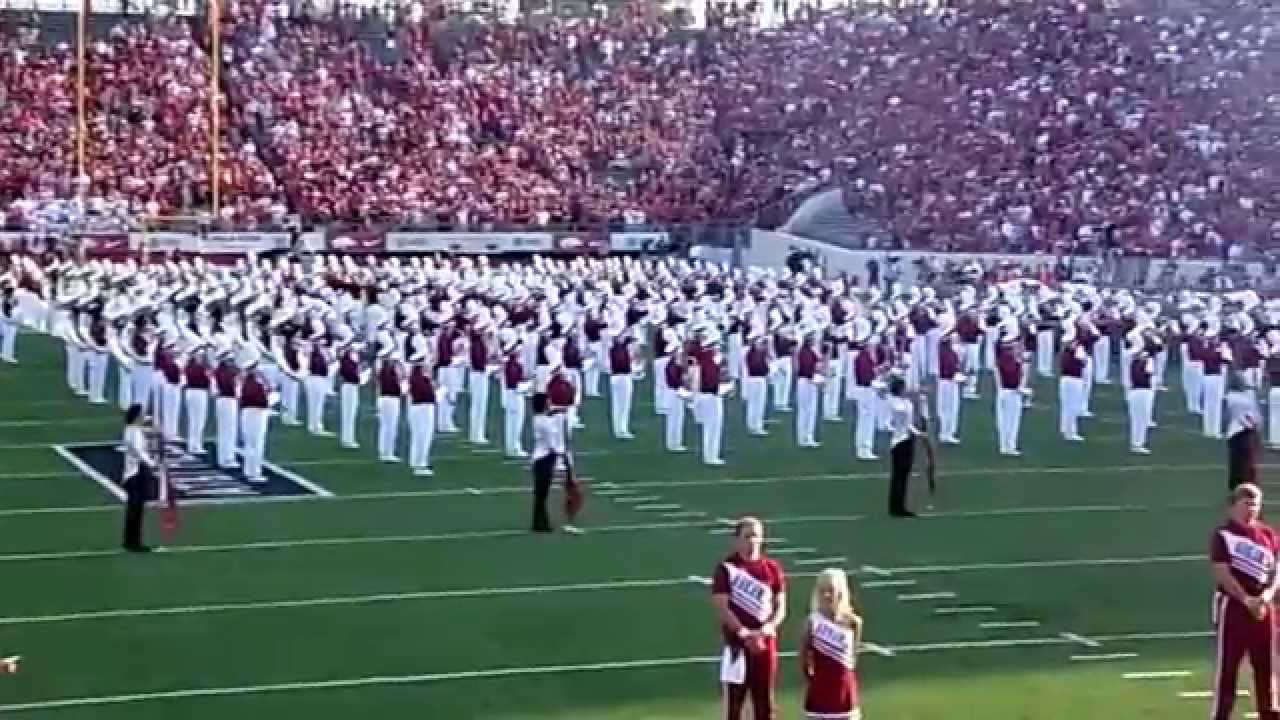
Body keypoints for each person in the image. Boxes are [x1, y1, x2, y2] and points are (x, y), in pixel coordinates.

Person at [1209, 483, 1280, 720]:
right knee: (1228, 669)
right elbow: (1221, 572)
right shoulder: (1223, 535)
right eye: (1246, 503)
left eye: (1255, 504)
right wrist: (1245, 599)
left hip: (1263, 609)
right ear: (1234, 506)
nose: (1251, 509)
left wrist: (1266, 597)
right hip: (1234, 609)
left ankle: (1269, 713)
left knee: (1266, 668)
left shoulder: (1269, 536)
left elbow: (1276, 572)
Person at [711, 516, 787, 720]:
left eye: (756, 536)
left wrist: (768, 628)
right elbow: (722, 606)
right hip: (736, 646)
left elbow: (780, 607)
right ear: (737, 540)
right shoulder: (726, 569)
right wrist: (743, 633)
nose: (752, 541)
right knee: (735, 704)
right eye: (747, 536)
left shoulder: (772, 569)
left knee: (765, 703)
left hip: (765, 644)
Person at [800, 568, 862, 720]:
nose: (826, 595)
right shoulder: (811, 622)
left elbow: (853, 658)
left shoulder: (854, 622)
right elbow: (803, 658)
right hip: (819, 694)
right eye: (822, 591)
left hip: (845, 693)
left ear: (840, 592)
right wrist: (814, 679)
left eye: (831, 590)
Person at [120, 403, 156, 553]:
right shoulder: (133, 432)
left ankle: (131, 540)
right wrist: (151, 463)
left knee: (135, 509)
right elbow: (138, 451)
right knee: (136, 510)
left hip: (134, 473)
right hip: (135, 474)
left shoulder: (132, 430)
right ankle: (134, 542)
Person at [884, 375, 919, 518]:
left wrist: (918, 433)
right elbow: (890, 422)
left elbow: (909, 423)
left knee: (904, 475)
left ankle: (900, 505)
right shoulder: (893, 403)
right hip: (899, 442)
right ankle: (895, 506)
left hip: (908, 439)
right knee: (898, 475)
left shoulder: (906, 403)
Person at [530, 392, 564, 533]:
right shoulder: (544, 422)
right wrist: (561, 454)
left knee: (540, 494)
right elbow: (552, 443)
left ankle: (539, 521)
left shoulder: (538, 419)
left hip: (539, 458)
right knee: (542, 494)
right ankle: (541, 523)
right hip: (545, 458)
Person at [1226, 372, 1262, 491]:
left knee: (1249, 458)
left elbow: (1255, 410)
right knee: (1237, 459)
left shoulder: (1249, 394)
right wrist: (1249, 425)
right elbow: (1237, 414)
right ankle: (1237, 484)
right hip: (1237, 431)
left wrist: (1256, 423)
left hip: (1249, 430)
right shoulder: (1231, 396)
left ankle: (1249, 482)